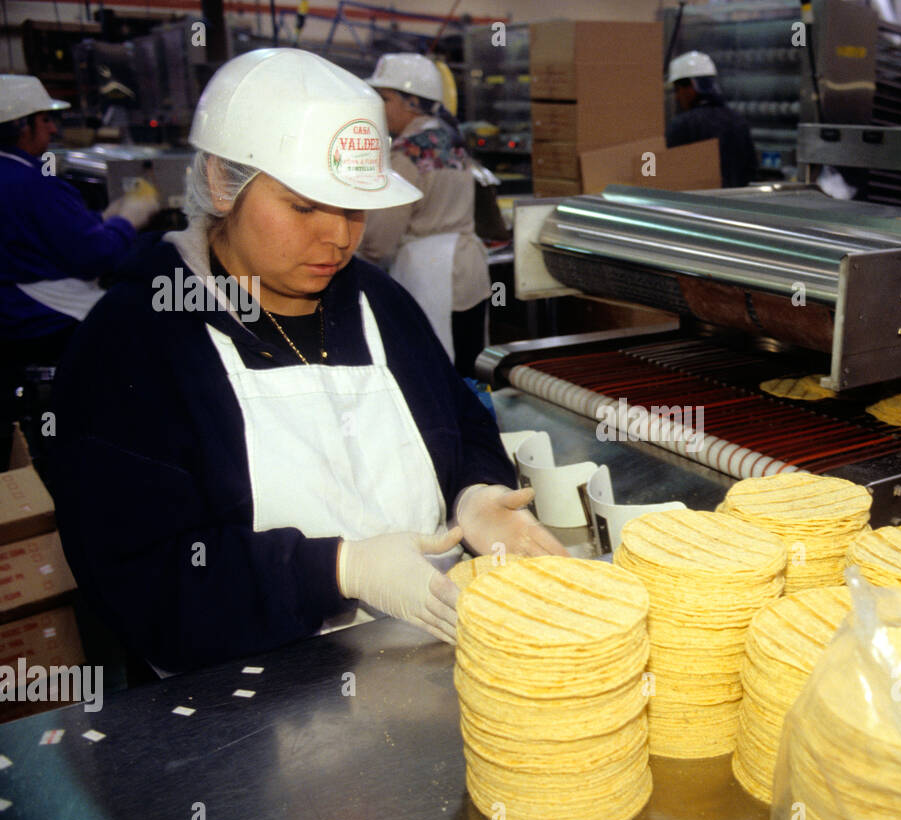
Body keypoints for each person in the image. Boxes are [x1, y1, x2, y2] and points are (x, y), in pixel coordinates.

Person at [49, 48, 564, 676]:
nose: (339, 237)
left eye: (353, 207)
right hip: (254, 715)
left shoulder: (381, 305)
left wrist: (477, 493)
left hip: (434, 662)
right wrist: (338, 569)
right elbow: (146, 583)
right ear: (220, 182)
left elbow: (463, 424)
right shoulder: (133, 344)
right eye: (304, 207)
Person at [0, 74, 159, 460]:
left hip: (11, 317)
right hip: (39, 318)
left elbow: (58, 238)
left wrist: (100, 220)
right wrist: (129, 219)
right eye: (45, 119)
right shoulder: (32, 183)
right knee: (151, 316)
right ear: (23, 125)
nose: (53, 128)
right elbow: (96, 256)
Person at [358, 53, 491, 377]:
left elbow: (381, 235)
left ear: (412, 102)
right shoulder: (454, 141)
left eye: (385, 98)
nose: (379, 106)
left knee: (434, 371)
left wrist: (361, 254)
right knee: (470, 368)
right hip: (470, 272)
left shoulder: (407, 153)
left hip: (429, 274)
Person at [665, 51, 758, 189]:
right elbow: (751, 170)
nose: (678, 97)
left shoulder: (682, 126)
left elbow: (667, 175)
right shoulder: (738, 121)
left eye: (678, 90)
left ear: (691, 86)